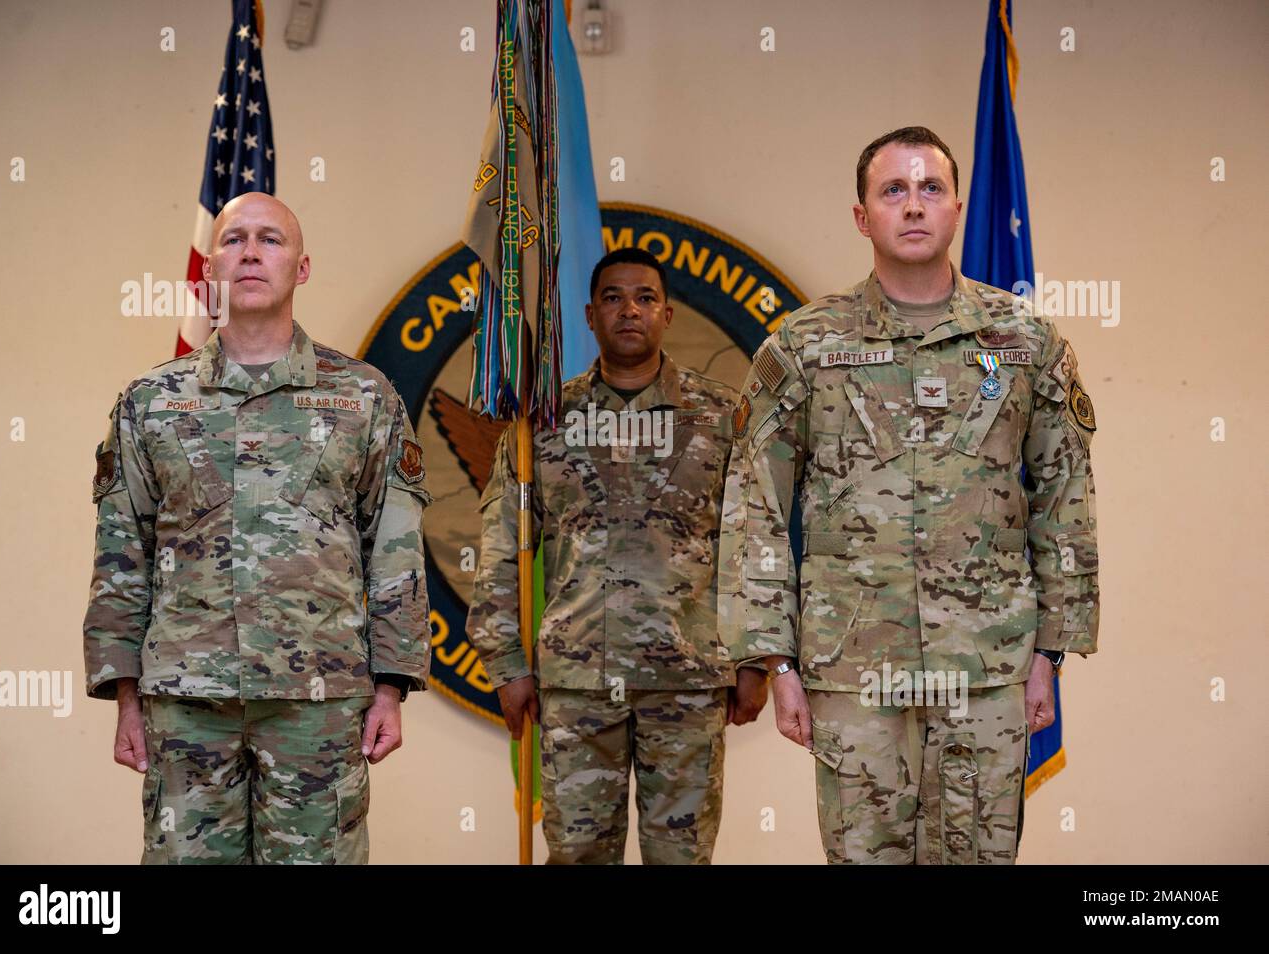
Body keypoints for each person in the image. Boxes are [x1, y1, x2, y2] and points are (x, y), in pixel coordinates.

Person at [719, 126, 1100, 864]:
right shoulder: (803, 346)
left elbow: (1066, 495)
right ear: (862, 216)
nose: (914, 205)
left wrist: (1053, 650)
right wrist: (777, 663)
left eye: (930, 189)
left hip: (987, 666)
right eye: (893, 190)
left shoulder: (1026, 341)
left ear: (956, 208)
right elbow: (754, 507)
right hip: (852, 668)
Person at [82, 193, 433, 864]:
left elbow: (393, 550)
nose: (249, 251)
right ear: (209, 266)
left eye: (270, 240)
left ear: (301, 269)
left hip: (318, 704)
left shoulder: (364, 397)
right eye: (233, 239)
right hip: (187, 700)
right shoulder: (149, 401)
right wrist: (124, 694)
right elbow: (122, 551)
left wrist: (392, 686)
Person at [467, 247, 769, 864]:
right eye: (612, 297)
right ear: (588, 315)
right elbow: (503, 545)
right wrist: (507, 662)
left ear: (668, 314)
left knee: (681, 858)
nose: (629, 309)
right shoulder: (541, 424)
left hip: (686, 681)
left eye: (645, 297)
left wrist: (758, 657)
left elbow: (754, 538)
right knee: (577, 856)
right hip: (577, 684)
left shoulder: (719, 417)